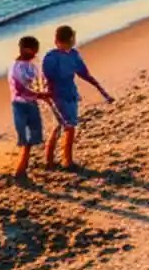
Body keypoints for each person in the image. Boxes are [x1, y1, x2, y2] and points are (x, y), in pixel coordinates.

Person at [42, 25, 113, 169]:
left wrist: (103, 91)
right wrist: (49, 97)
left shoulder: (73, 55)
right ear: (58, 41)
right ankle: (63, 160)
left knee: (66, 126)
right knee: (66, 126)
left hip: (70, 94)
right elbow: (47, 80)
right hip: (57, 95)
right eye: (68, 40)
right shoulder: (50, 57)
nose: (70, 43)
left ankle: (55, 159)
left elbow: (85, 74)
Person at [8, 35, 51, 179]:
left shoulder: (30, 64)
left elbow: (37, 80)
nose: (36, 53)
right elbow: (22, 90)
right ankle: (20, 171)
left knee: (33, 138)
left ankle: (23, 167)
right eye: (34, 50)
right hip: (21, 105)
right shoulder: (17, 68)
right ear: (26, 49)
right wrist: (42, 95)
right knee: (26, 140)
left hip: (31, 103)